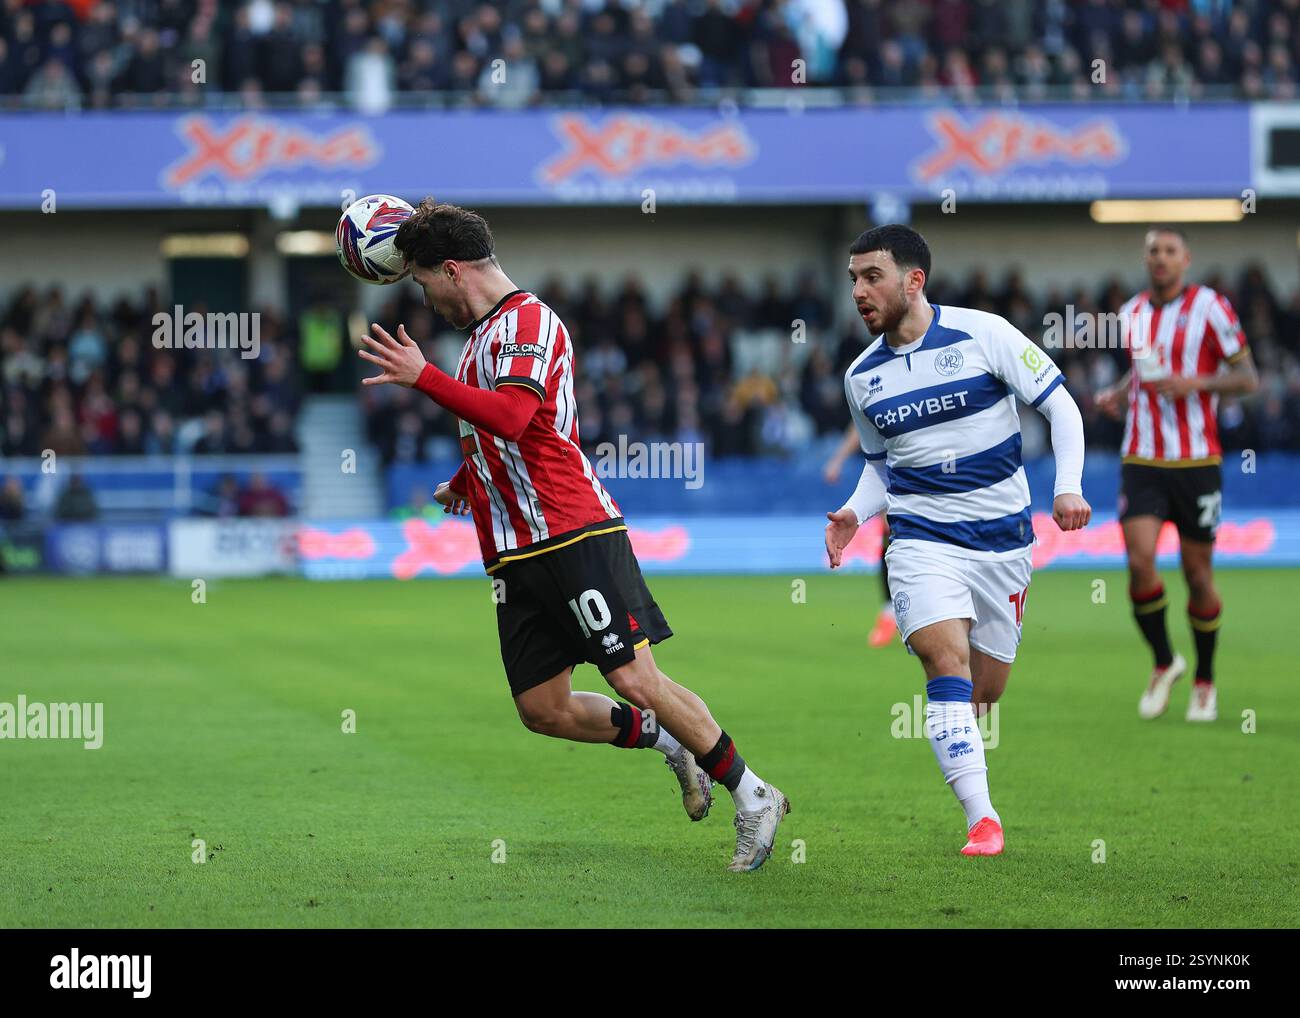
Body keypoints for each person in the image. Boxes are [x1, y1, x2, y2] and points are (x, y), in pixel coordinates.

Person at [357, 198, 788, 871]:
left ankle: (753, 792)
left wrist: (425, 379)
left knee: (634, 677)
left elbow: (513, 415)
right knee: (542, 709)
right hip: (511, 551)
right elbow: (505, 437)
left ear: (452, 270)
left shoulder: (529, 319)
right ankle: (668, 743)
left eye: (422, 282)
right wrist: (467, 483)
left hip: (569, 530)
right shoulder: (476, 342)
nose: (424, 297)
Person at [824, 224, 1090, 856]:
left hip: (1003, 544)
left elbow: (1062, 407)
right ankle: (983, 818)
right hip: (920, 540)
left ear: (914, 280)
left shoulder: (984, 334)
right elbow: (881, 466)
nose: (859, 292)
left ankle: (970, 764)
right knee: (945, 662)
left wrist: (1068, 486)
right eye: (853, 280)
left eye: (872, 277)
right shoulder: (862, 377)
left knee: (984, 691)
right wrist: (854, 514)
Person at [1096, 226, 1258, 723]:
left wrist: (1198, 383)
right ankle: (1165, 663)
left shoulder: (1212, 307)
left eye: (1169, 251)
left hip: (1196, 461)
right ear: (1146, 260)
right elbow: (1145, 369)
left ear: (1185, 259)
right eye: (1153, 252)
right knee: (1140, 563)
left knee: (1196, 574)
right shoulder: (1131, 313)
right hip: (1142, 457)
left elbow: (1248, 377)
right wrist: (1121, 393)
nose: (1160, 259)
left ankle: (1205, 680)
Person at [823, 422, 896, 646]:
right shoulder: (870, 390)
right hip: (887, 466)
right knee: (889, 532)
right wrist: (838, 460)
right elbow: (859, 426)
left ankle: (908, 611)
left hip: (931, 471)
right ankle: (891, 612)